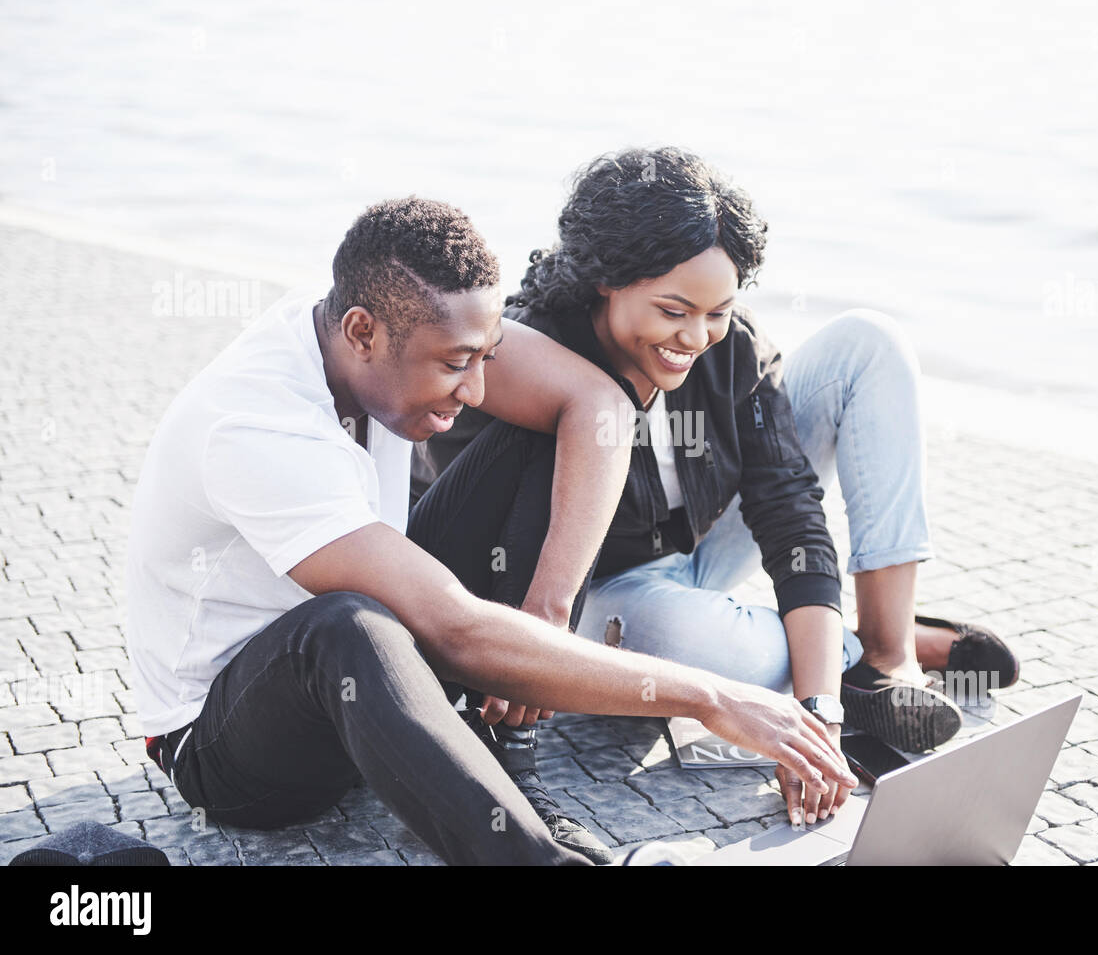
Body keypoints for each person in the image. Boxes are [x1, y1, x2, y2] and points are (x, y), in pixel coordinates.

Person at [124, 197, 856, 866]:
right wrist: (713, 697)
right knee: (347, 625)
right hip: (232, 748)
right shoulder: (257, 426)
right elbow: (453, 629)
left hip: (382, 683)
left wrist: (546, 613)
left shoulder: (377, 326)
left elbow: (597, 404)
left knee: (541, 432)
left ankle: (509, 758)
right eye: (453, 366)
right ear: (362, 333)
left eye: (484, 357)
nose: (473, 391)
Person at [419, 147, 1019, 829]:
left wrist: (818, 715)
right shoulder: (530, 353)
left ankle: (886, 653)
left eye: (718, 310)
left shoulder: (725, 345)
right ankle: (841, 650)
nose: (695, 336)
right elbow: (490, 538)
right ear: (605, 281)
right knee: (709, 650)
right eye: (674, 310)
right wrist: (535, 649)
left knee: (869, 343)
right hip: (601, 588)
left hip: (703, 546)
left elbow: (791, 512)